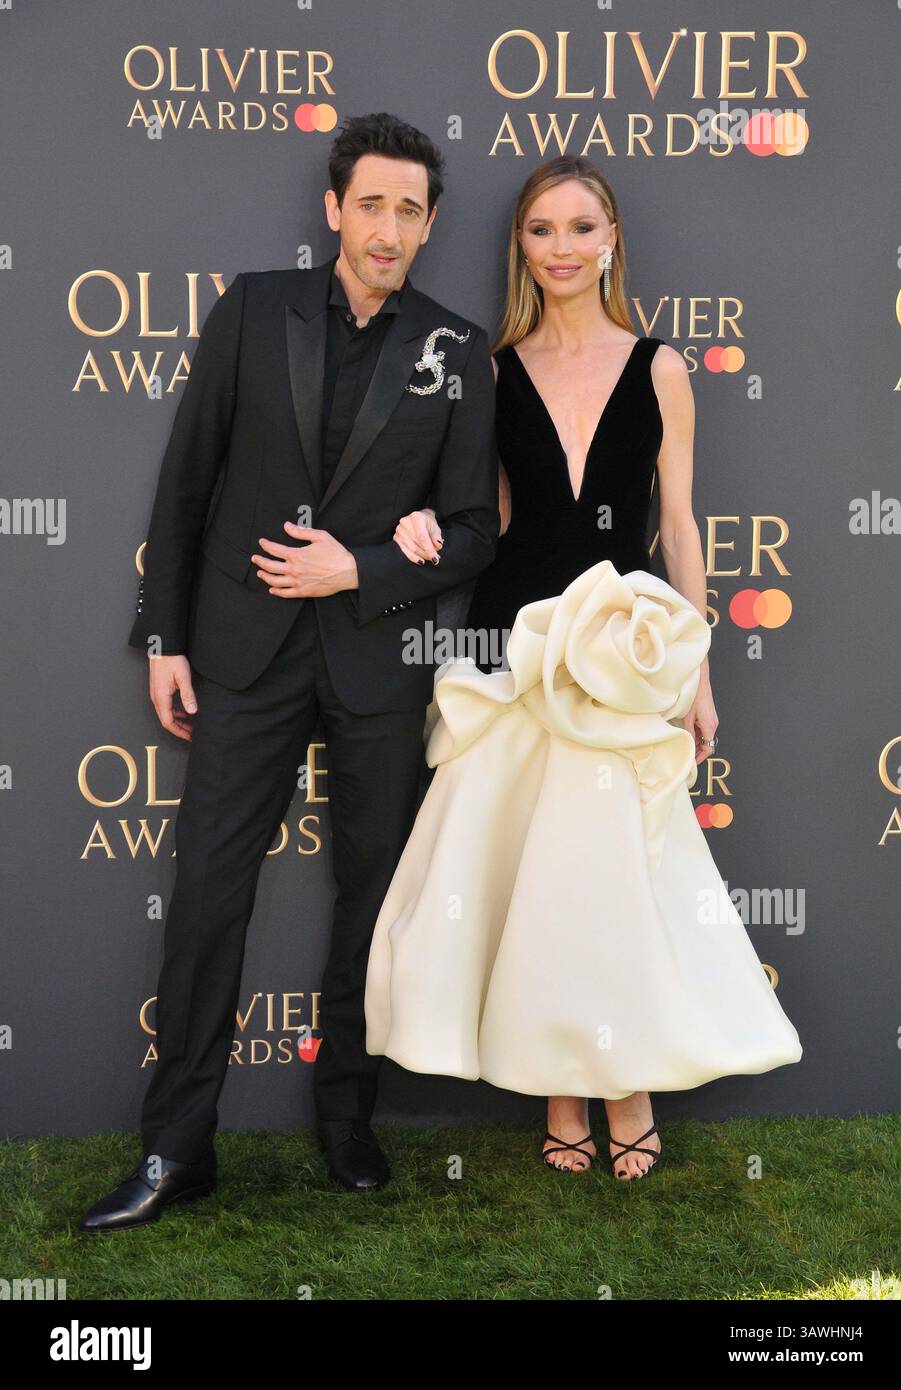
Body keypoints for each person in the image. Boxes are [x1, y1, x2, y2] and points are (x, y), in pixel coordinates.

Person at [79, 112, 500, 1232]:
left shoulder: (456, 351)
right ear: (334, 209)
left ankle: (346, 1122)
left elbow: (471, 534)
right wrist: (164, 638)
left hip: (375, 666)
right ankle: (177, 1149)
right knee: (210, 894)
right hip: (240, 658)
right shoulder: (253, 308)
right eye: (371, 202)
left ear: (429, 224)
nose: (389, 226)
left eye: (410, 209)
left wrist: (353, 567)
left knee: (369, 902)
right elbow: (187, 484)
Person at [364, 155, 803, 1179]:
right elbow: (490, 518)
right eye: (538, 231)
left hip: (623, 653)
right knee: (535, 879)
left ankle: (627, 1083)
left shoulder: (660, 367)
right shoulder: (490, 364)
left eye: (578, 228)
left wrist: (697, 673)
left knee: (615, 881)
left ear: (609, 239)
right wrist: (424, 524)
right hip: (516, 645)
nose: (559, 249)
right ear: (519, 247)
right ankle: (563, 1089)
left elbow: (680, 527)